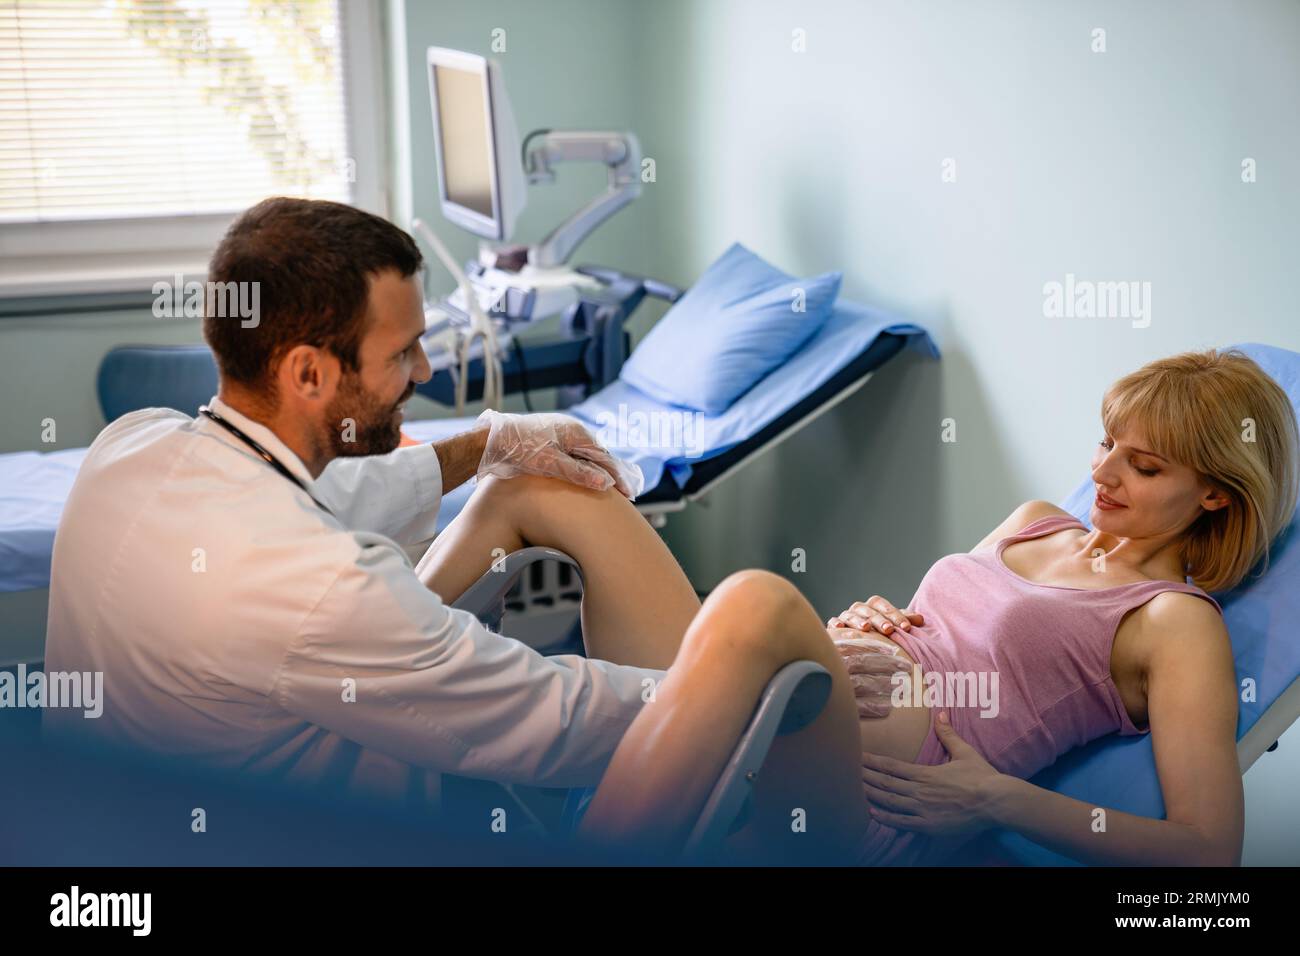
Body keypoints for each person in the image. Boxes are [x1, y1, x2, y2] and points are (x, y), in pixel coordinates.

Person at [42, 196, 708, 814]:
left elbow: (324, 493)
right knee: (741, 637)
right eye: (401, 352)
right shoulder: (319, 586)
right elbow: (550, 718)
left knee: (516, 488)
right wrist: (731, 684)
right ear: (308, 373)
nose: (423, 371)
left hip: (106, 820)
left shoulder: (130, 443)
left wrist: (488, 444)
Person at [560, 348, 1297, 866]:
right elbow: (927, 634)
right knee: (564, 489)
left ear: (1215, 493)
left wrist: (997, 801)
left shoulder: (1175, 621)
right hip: (807, 710)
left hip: (870, 802)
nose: (1101, 473)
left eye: (1143, 466)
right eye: (1106, 443)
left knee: (756, 598)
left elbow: (1207, 850)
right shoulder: (1037, 518)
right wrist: (861, 624)